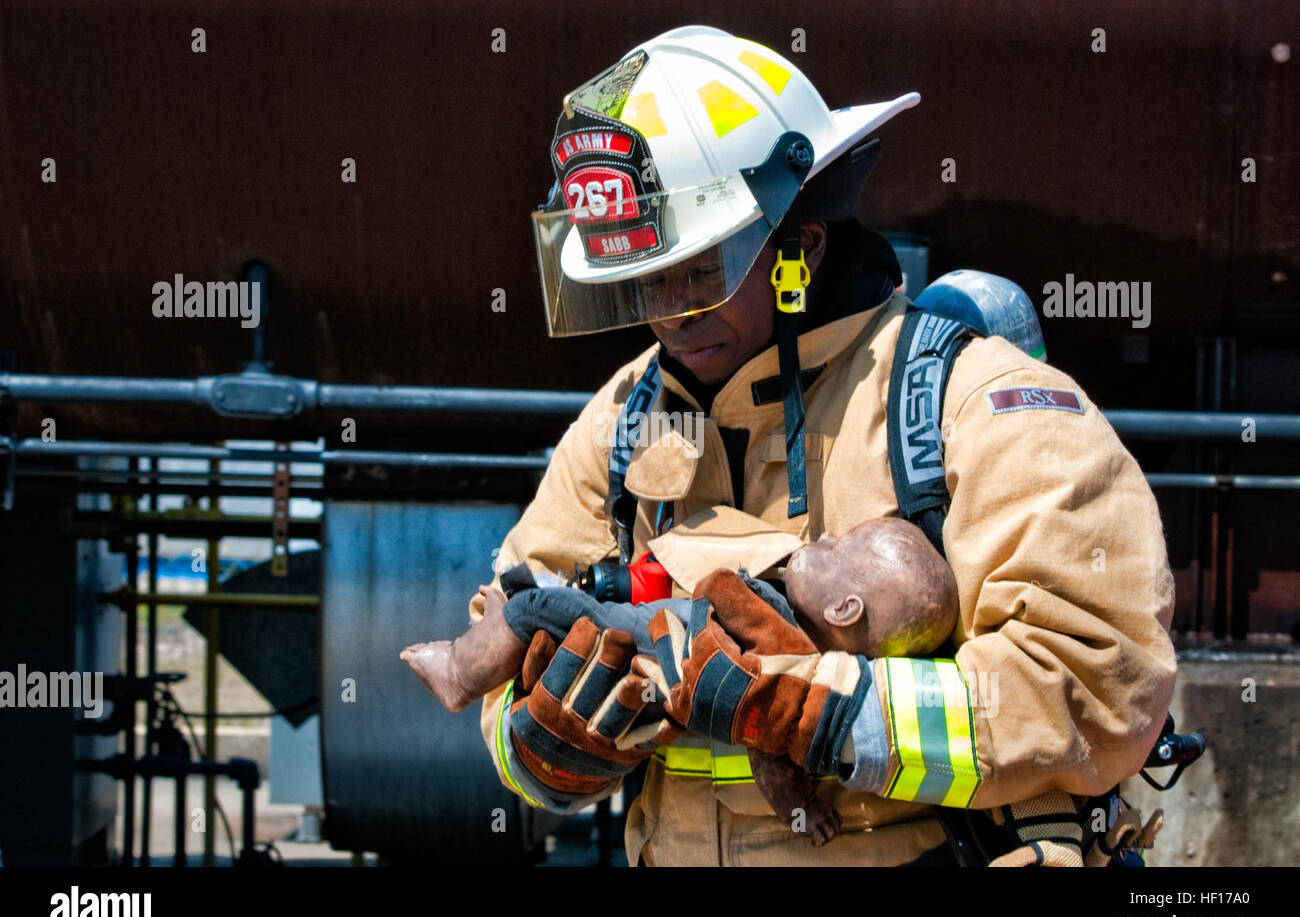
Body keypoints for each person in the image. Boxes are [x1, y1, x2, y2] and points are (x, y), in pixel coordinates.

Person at [465, 25, 1177, 866]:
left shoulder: (974, 405)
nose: (670, 315)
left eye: (701, 273)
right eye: (643, 281)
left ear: (800, 246)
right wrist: (544, 748)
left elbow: (1095, 689)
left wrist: (816, 710)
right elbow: (502, 655)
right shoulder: (625, 421)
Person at [403, 517, 958, 846]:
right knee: (529, 604)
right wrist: (542, 760)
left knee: (536, 608)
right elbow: (771, 757)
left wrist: (804, 802)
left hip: (627, 648)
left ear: (844, 609)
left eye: (839, 548)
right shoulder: (630, 410)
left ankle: (456, 670)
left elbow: (770, 751)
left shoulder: (782, 654)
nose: (828, 534)